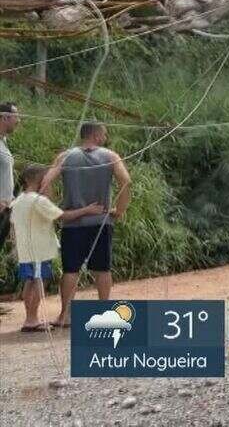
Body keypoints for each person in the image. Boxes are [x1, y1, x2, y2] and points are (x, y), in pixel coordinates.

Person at [40, 120, 131, 328]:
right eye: (104, 134)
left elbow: (45, 181)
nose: (106, 138)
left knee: (71, 270)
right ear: (96, 135)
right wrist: (120, 210)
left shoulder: (65, 156)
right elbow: (126, 181)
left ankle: (65, 315)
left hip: (73, 222)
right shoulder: (110, 156)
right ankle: (105, 313)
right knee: (102, 269)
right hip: (100, 222)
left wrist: (54, 209)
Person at [10, 164, 104, 331]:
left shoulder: (17, 201)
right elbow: (62, 216)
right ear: (40, 180)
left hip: (25, 250)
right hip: (39, 250)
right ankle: (31, 320)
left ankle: (30, 318)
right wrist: (88, 210)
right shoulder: (38, 201)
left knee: (30, 282)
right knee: (39, 281)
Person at [0, 102, 18, 248]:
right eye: (15, 116)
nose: (18, 120)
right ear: (5, 118)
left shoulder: (3, 141)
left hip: (5, 209)